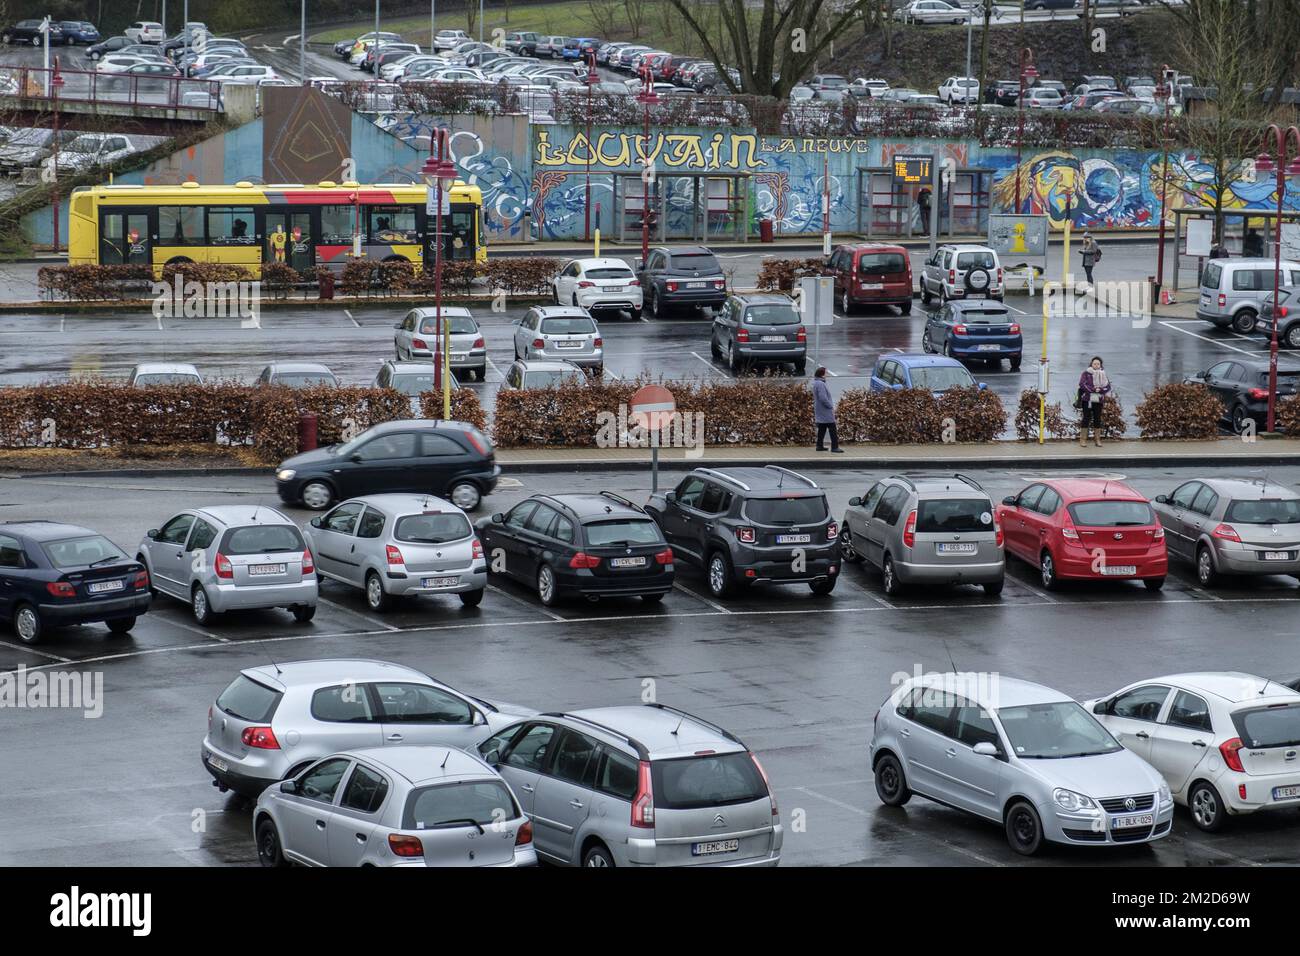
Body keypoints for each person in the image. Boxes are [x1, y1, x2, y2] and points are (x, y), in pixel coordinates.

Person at [1077, 355, 1112, 448]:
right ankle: (1083, 440)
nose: (1096, 365)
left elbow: (1108, 387)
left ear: (1100, 365)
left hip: (1098, 400)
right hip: (1088, 399)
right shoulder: (1086, 373)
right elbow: (1082, 384)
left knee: (1097, 419)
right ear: (1091, 364)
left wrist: (1100, 390)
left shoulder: (1103, 374)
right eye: (1094, 363)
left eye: (1098, 364)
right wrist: (1093, 389)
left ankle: (1097, 440)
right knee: (1086, 418)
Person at [813, 367, 842, 453]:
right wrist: (830, 406)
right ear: (822, 374)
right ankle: (834, 447)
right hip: (825, 410)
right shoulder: (821, 384)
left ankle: (819, 445)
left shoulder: (816, 383)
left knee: (822, 427)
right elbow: (823, 398)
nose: (827, 374)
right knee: (832, 428)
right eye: (826, 373)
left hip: (820, 409)